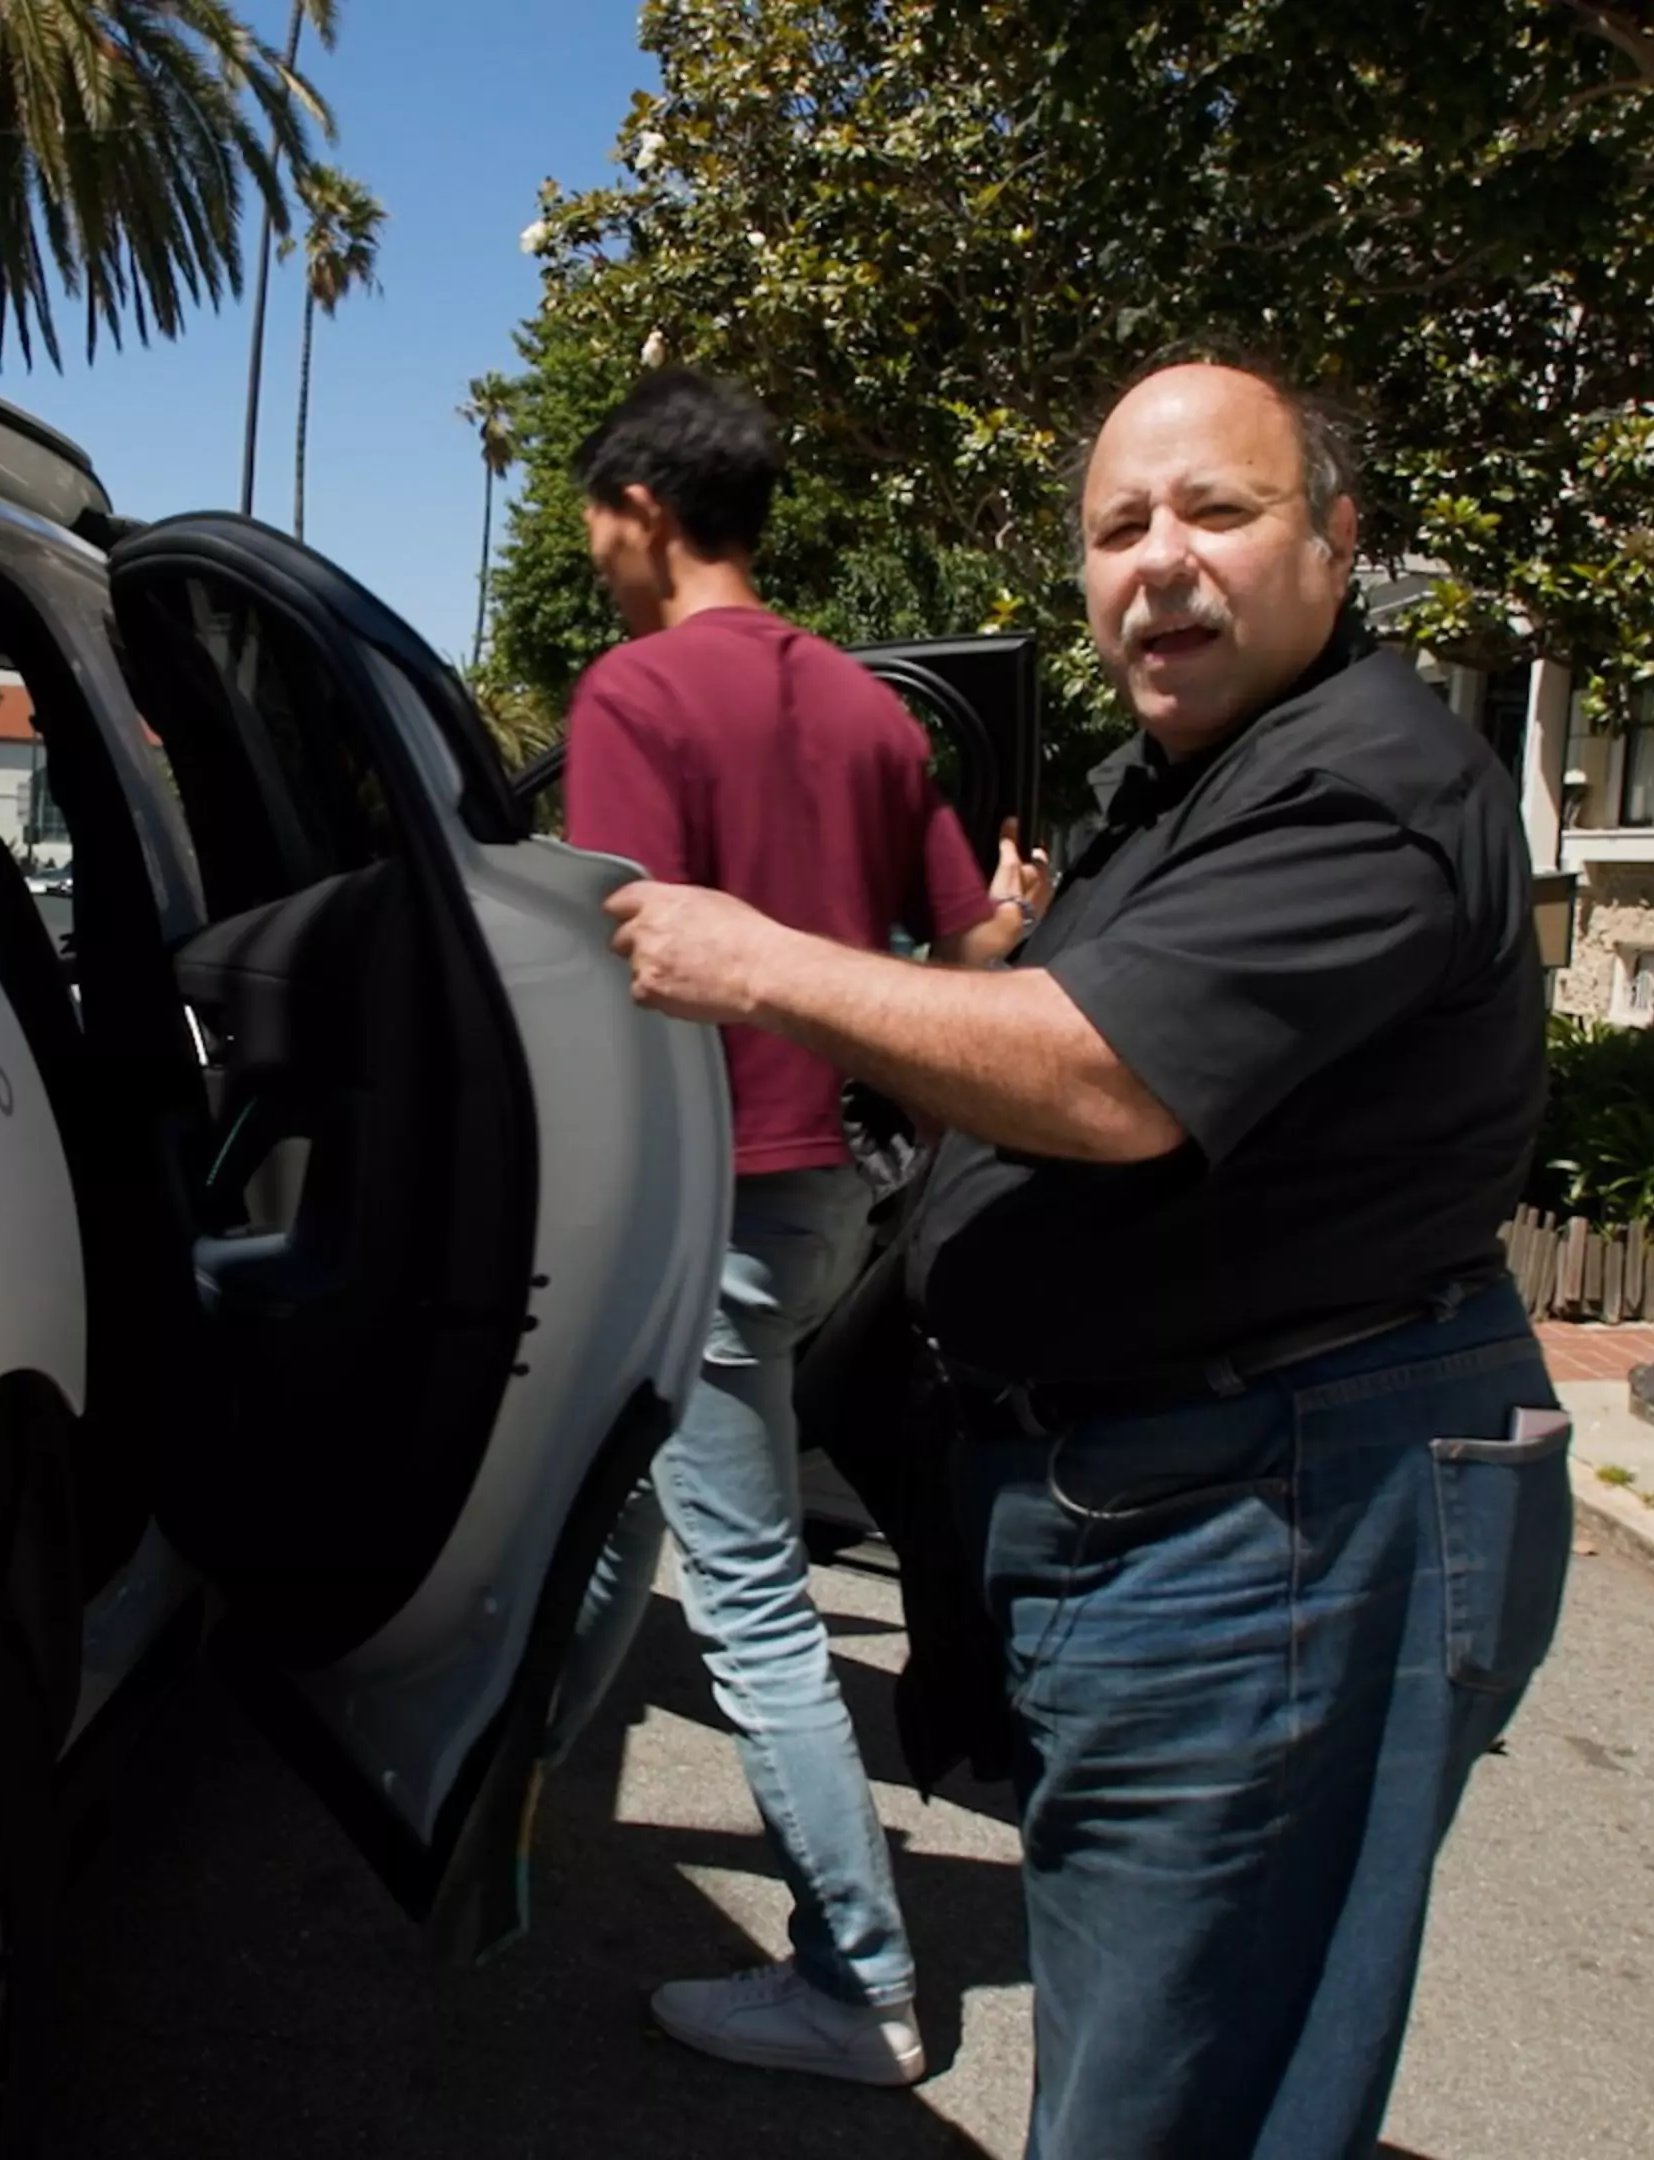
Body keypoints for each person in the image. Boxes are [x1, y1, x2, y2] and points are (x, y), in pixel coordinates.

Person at [601, 356, 1570, 2157]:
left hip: (1274, 1517)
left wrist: (759, 960)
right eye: (1120, 526)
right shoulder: (1177, 781)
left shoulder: (1364, 787)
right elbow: (1020, 1020)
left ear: (1336, 540)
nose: (1160, 560)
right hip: (1167, 1504)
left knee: (1180, 2088)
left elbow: (1107, 1076)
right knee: (1149, 2043)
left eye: (1219, 510)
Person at [544, 368, 1033, 2088]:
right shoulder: (869, 709)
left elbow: (619, 975)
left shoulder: (634, 693)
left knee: (749, 1601)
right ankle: (513, 1770)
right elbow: (974, 957)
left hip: (705, 1203)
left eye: (596, 524)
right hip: (828, 1195)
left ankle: (858, 1981)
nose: (594, 555)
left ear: (645, 511)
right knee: (631, 1491)